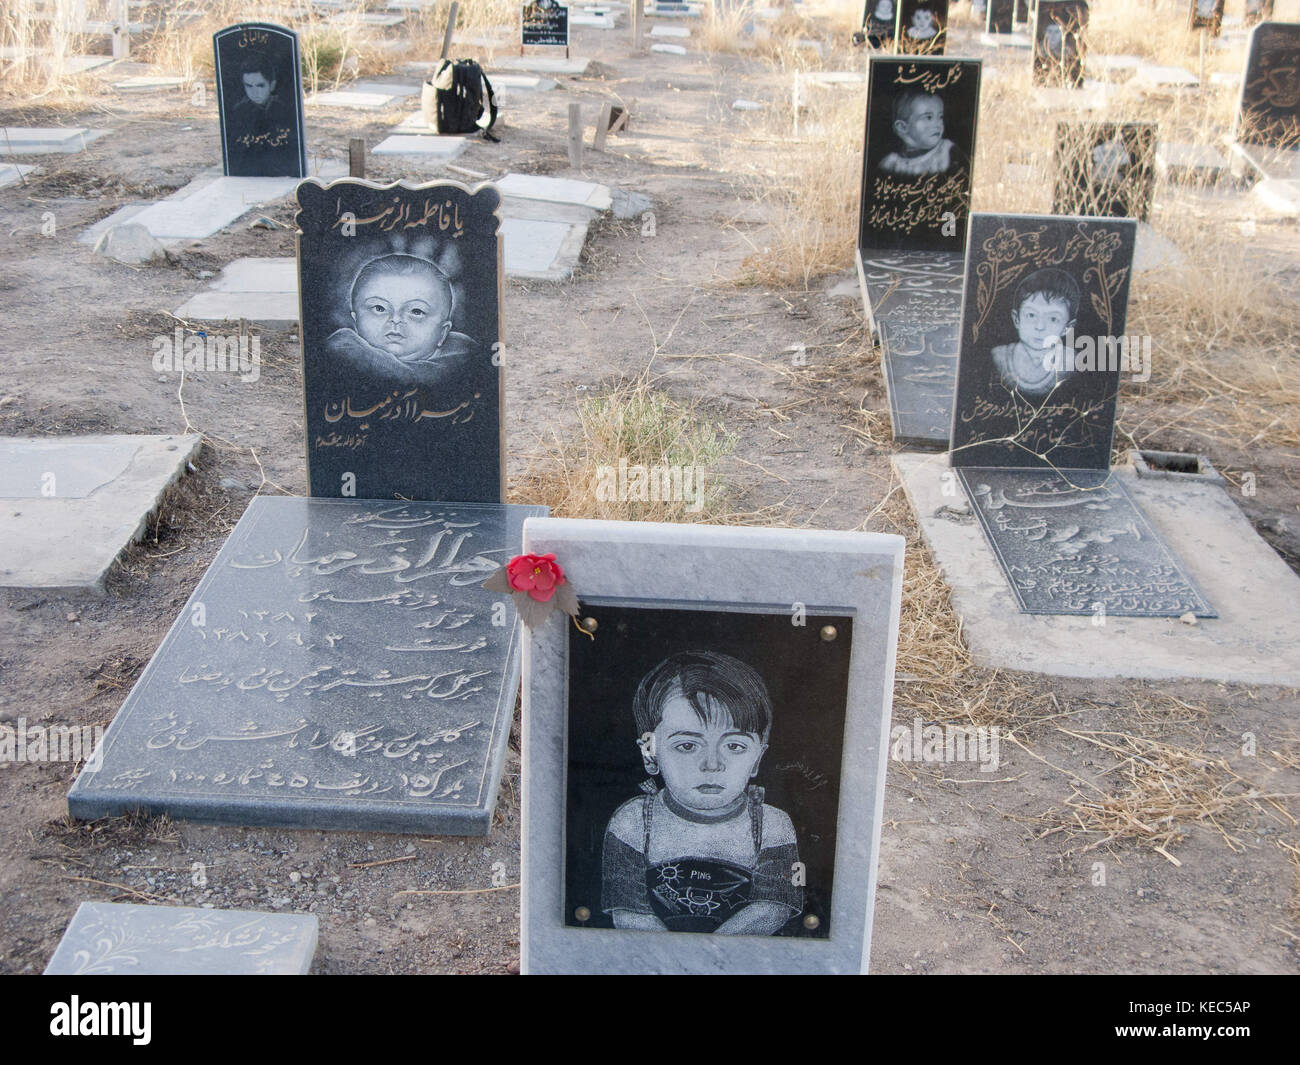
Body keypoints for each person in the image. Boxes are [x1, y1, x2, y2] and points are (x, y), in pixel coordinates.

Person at [601, 651, 803, 936]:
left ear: (757, 758)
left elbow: (773, 908)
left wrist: (710, 956)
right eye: (687, 746)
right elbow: (629, 913)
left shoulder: (772, 826)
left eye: (734, 746)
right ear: (650, 753)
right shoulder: (633, 823)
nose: (712, 765)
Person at [324, 254, 476, 384]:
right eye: (379, 308)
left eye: (416, 311)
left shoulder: (465, 360)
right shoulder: (338, 353)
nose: (395, 319)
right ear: (355, 320)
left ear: (443, 333)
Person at [990, 268, 1080, 397]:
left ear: (1068, 327)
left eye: (1053, 319)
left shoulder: (1071, 362)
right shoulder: (998, 358)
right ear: (1017, 319)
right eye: (1031, 315)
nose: (1040, 326)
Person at [227, 56, 299, 176]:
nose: (254, 93)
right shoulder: (238, 112)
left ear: (272, 85)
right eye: (249, 86)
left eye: (260, 86)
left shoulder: (285, 110)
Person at [880, 88, 958, 176]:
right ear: (902, 127)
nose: (938, 124)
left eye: (940, 117)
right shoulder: (891, 164)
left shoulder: (947, 152)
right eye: (928, 117)